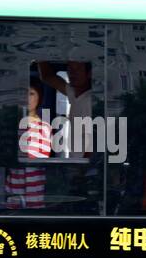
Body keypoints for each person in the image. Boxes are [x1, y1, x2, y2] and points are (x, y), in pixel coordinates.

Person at [5, 80, 50, 209]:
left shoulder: (44, 127)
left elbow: (41, 160)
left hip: (36, 186)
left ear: (39, 97)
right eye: (23, 94)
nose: (27, 98)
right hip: (14, 184)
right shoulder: (11, 124)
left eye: (31, 94)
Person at [37, 60, 93, 156]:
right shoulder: (74, 94)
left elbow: (95, 142)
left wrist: (83, 169)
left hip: (83, 168)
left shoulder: (90, 101)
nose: (72, 73)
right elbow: (47, 77)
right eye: (70, 68)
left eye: (78, 69)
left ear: (90, 73)